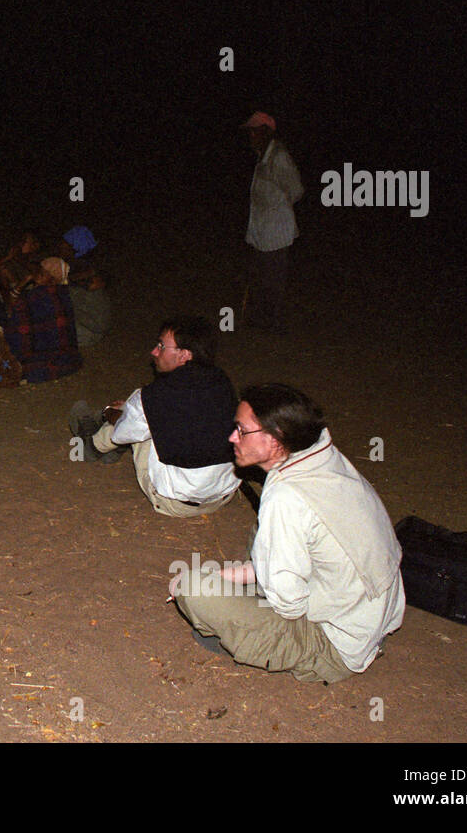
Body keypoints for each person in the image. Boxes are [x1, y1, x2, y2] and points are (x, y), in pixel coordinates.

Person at [169, 383, 405, 683]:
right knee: (262, 534)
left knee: (192, 588)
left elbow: (288, 604)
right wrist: (229, 575)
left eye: (242, 430)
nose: (232, 437)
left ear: (276, 436)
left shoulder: (286, 495)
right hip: (370, 614)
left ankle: (248, 637)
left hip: (334, 646)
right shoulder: (322, 456)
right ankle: (246, 596)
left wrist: (208, 581)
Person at [70, 316, 238, 517]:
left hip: (175, 504)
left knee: (140, 417)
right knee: (147, 413)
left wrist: (112, 413)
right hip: (224, 495)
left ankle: (92, 446)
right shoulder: (221, 382)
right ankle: (110, 434)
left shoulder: (154, 394)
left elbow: (124, 432)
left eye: (161, 346)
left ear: (184, 355)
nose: (154, 352)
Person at [241, 111, 303, 332]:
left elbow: (296, 190)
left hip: (276, 232)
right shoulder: (263, 157)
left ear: (266, 132)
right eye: (250, 130)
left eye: (255, 130)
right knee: (260, 279)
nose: (251, 134)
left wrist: (278, 208)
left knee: (273, 281)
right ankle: (260, 322)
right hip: (261, 231)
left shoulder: (278, 157)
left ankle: (273, 324)